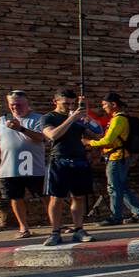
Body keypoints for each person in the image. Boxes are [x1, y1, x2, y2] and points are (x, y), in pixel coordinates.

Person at [40, 88, 102, 245]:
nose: (69, 106)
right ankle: (55, 232)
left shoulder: (79, 117)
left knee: (79, 197)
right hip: (59, 160)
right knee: (57, 198)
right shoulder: (49, 117)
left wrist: (87, 116)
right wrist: (71, 118)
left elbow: (98, 132)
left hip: (79, 160)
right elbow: (52, 135)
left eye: (72, 103)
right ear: (55, 101)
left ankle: (79, 229)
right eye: (66, 103)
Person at [0, 89, 47, 239]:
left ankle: (57, 225)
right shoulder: (1, 121)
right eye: (12, 105)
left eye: (19, 105)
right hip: (9, 167)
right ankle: (24, 227)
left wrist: (20, 128)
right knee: (16, 197)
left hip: (33, 166)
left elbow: (41, 138)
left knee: (45, 195)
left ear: (28, 104)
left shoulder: (38, 119)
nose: (16, 108)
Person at [87, 91, 139, 226]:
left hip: (116, 158)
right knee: (121, 186)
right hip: (120, 157)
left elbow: (108, 140)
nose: (103, 107)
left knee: (113, 188)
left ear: (113, 104)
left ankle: (116, 216)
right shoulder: (118, 118)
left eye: (104, 104)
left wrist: (89, 143)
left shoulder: (118, 119)